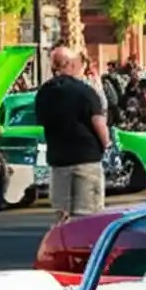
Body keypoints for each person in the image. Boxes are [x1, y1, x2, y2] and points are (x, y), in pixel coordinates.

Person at [36, 46, 110, 223]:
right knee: (88, 214)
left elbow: (42, 120)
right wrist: (106, 143)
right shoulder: (85, 91)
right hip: (87, 159)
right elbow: (98, 123)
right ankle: (86, 248)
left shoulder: (44, 93)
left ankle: (63, 248)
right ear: (70, 64)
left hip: (59, 159)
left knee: (62, 215)